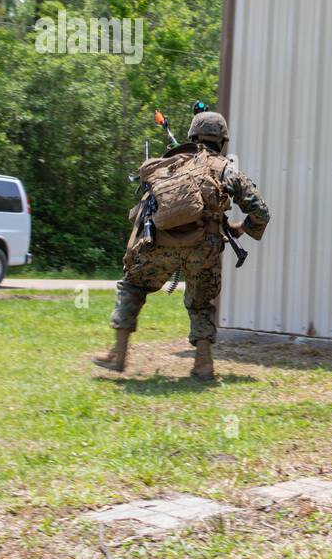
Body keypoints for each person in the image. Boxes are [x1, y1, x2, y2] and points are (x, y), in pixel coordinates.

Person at [93, 111, 269, 383]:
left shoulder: (170, 162)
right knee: (201, 303)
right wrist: (241, 229)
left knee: (133, 286)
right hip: (204, 248)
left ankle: (118, 354)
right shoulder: (227, 168)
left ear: (192, 137)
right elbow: (260, 212)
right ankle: (203, 364)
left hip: (159, 242)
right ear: (222, 141)